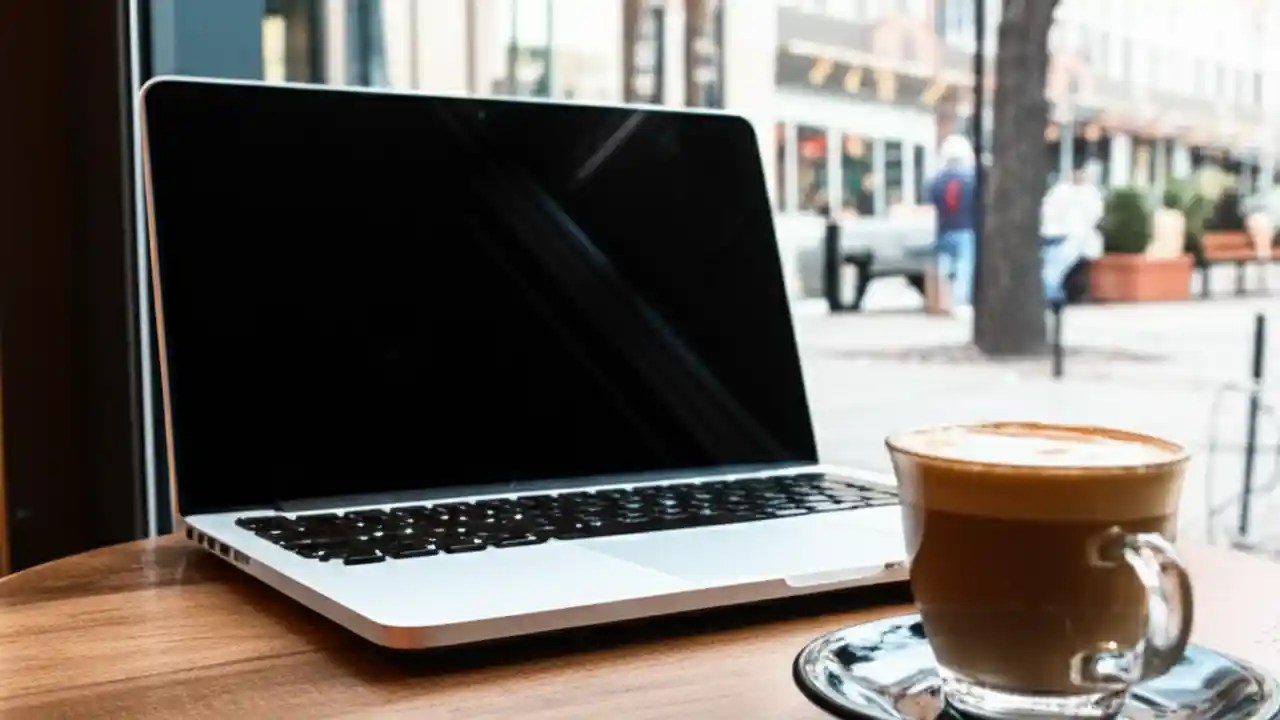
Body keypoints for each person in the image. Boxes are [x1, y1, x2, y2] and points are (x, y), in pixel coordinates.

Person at [928, 135, 977, 315]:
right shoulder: (971, 178)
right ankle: (960, 302)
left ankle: (944, 300)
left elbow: (932, 200)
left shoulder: (938, 180)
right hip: (966, 228)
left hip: (944, 228)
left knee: (945, 266)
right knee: (964, 268)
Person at [1040, 165, 1104, 304]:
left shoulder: (1090, 192)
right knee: (1053, 262)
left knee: (1061, 261)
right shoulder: (1060, 190)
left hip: (1078, 238)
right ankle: (1051, 289)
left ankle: (1053, 289)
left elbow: (1094, 215)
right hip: (1058, 235)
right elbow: (1050, 212)